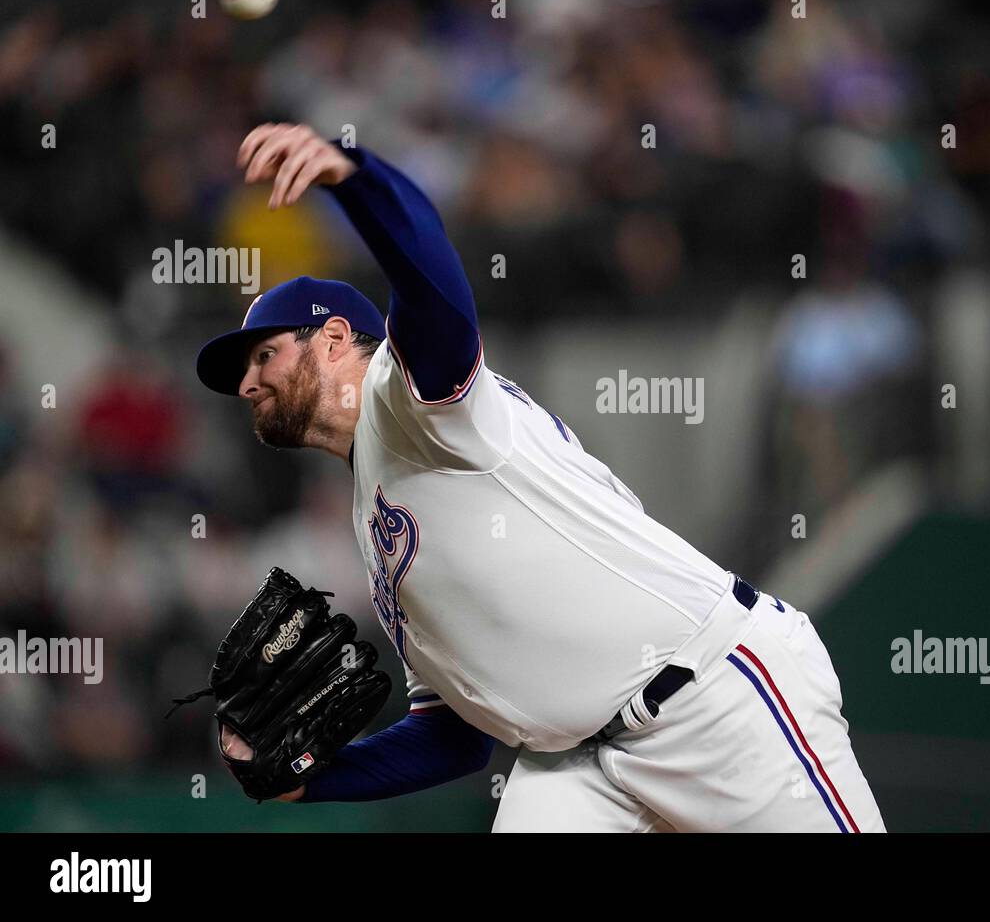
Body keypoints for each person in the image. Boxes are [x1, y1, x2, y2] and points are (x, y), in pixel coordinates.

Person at [195, 122, 886, 832]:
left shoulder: (405, 401)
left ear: (336, 338)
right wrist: (312, 784)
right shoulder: (374, 514)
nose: (247, 383)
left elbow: (434, 292)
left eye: (264, 356)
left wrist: (359, 181)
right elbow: (454, 737)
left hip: (710, 699)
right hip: (573, 769)